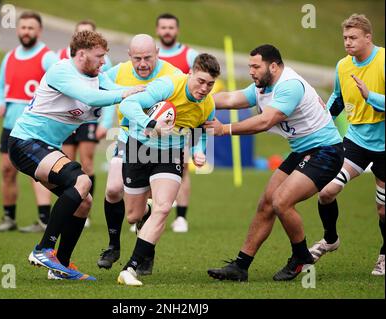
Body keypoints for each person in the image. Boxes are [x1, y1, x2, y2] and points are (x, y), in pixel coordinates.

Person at [8, 30, 144, 280]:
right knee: (83, 181)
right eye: (100, 56)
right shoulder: (62, 71)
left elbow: (120, 92)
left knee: (84, 203)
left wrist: (156, 94)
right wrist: (127, 93)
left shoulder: (98, 76)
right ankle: (44, 248)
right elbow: (92, 97)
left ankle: (60, 266)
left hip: (44, 147)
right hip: (25, 142)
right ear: (81, 54)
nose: (104, 61)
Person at [205, 44, 344, 282]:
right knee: (266, 203)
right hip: (302, 151)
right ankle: (241, 266)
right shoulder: (262, 86)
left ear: (273, 66)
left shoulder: (289, 86)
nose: (251, 71)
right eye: (250, 66)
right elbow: (230, 97)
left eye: (255, 66)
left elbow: (264, 122)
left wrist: (224, 129)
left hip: (326, 152)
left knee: (281, 202)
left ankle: (301, 258)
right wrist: (199, 99)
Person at [116, 53, 220, 286]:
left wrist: (199, 150)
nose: (204, 89)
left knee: (163, 208)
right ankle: (146, 212)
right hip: (138, 148)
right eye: (201, 81)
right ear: (190, 73)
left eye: (210, 84)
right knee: (133, 215)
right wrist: (152, 124)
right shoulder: (169, 84)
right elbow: (128, 104)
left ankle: (130, 268)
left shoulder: (208, 104)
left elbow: (201, 130)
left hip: (170, 154)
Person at [96, 34, 181, 273]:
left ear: (157, 53)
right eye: (137, 59)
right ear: (129, 57)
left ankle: (146, 253)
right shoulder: (120, 71)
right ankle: (113, 246)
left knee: (138, 211)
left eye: (148, 58)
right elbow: (97, 83)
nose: (143, 64)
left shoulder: (172, 75)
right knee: (113, 189)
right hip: (127, 138)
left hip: (161, 146)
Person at [308, 14, 385, 276]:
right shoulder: (343, 66)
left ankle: (384, 254)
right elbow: (338, 99)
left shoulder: (384, 60)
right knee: (326, 192)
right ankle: (330, 240)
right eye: (345, 38)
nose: (348, 43)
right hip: (356, 141)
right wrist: (320, 119)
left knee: (383, 210)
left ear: (368, 37)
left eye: (353, 38)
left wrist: (370, 96)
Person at [0, 11, 58, 233]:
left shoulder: (47, 57)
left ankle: (43, 219)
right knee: (6, 170)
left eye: (31, 28)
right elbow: (0, 84)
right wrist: (1, 102)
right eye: (23, 27)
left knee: (37, 171)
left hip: (36, 128)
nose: (26, 32)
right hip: (10, 124)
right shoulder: (9, 56)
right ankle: (9, 218)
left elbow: (62, 82)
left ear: (39, 31)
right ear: (18, 30)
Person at [59, 19, 113, 228]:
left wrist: (105, 121)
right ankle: (70, 207)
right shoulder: (64, 60)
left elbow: (108, 94)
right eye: (80, 33)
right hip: (68, 118)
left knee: (87, 162)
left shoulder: (101, 62)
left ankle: (85, 210)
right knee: (66, 164)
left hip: (88, 119)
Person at [155, 13, 200, 233]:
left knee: (183, 167)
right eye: (163, 27)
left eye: (171, 27)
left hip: (184, 121)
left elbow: (203, 81)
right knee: (148, 165)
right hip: (156, 122)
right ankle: (150, 213)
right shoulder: (152, 56)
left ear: (177, 30)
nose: (167, 31)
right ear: (157, 30)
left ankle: (181, 217)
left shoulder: (189, 55)